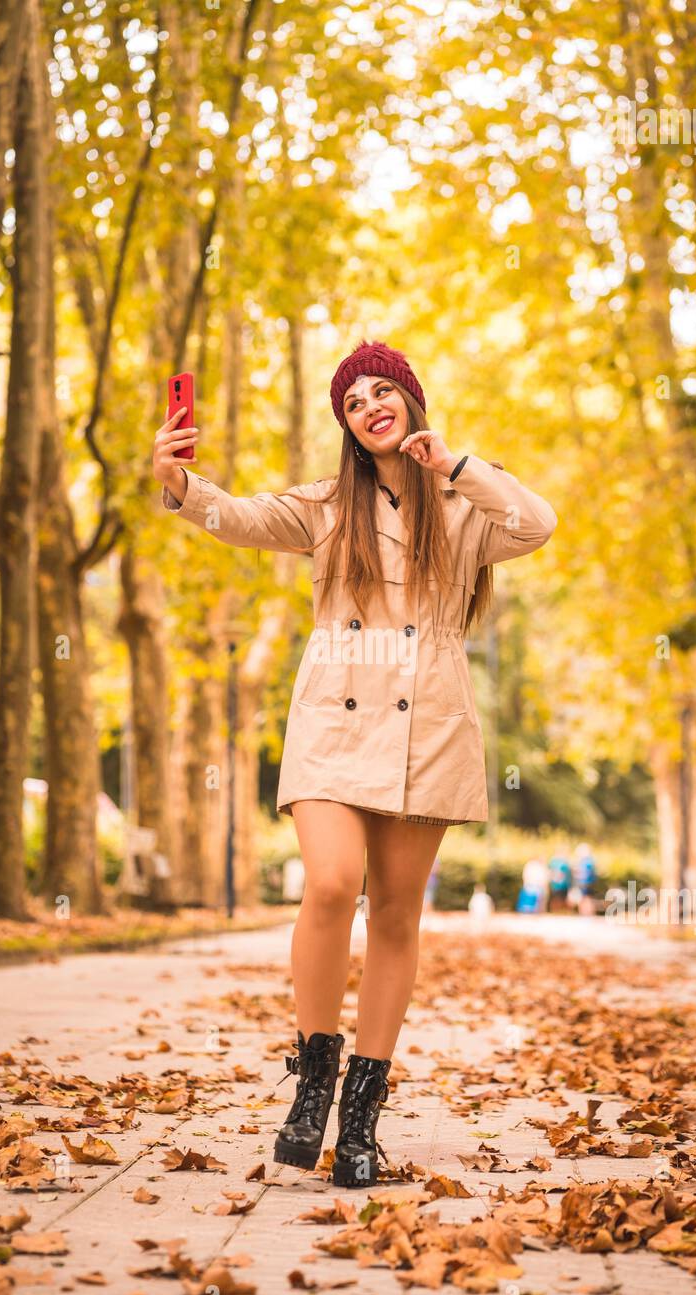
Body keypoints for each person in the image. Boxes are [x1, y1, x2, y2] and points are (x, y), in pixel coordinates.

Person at [154, 338, 557, 1187]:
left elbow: (538, 524)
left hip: (431, 733)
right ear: (345, 424)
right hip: (333, 725)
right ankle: (313, 1084)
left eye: (384, 391)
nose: (370, 406)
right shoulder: (327, 505)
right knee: (334, 884)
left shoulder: (465, 510)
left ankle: (363, 1119)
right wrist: (179, 485)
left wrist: (455, 466)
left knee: (400, 918)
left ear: (412, 399)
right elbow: (242, 517)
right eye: (353, 401)